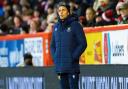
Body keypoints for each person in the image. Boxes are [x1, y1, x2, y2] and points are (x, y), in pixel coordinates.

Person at [50, 2, 87, 89]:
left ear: (68, 12)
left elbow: (83, 44)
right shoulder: (56, 27)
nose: (61, 12)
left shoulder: (75, 25)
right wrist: (55, 57)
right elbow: (52, 46)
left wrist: (73, 57)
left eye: (63, 10)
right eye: (59, 10)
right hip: (60, 67)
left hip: (72, 67)